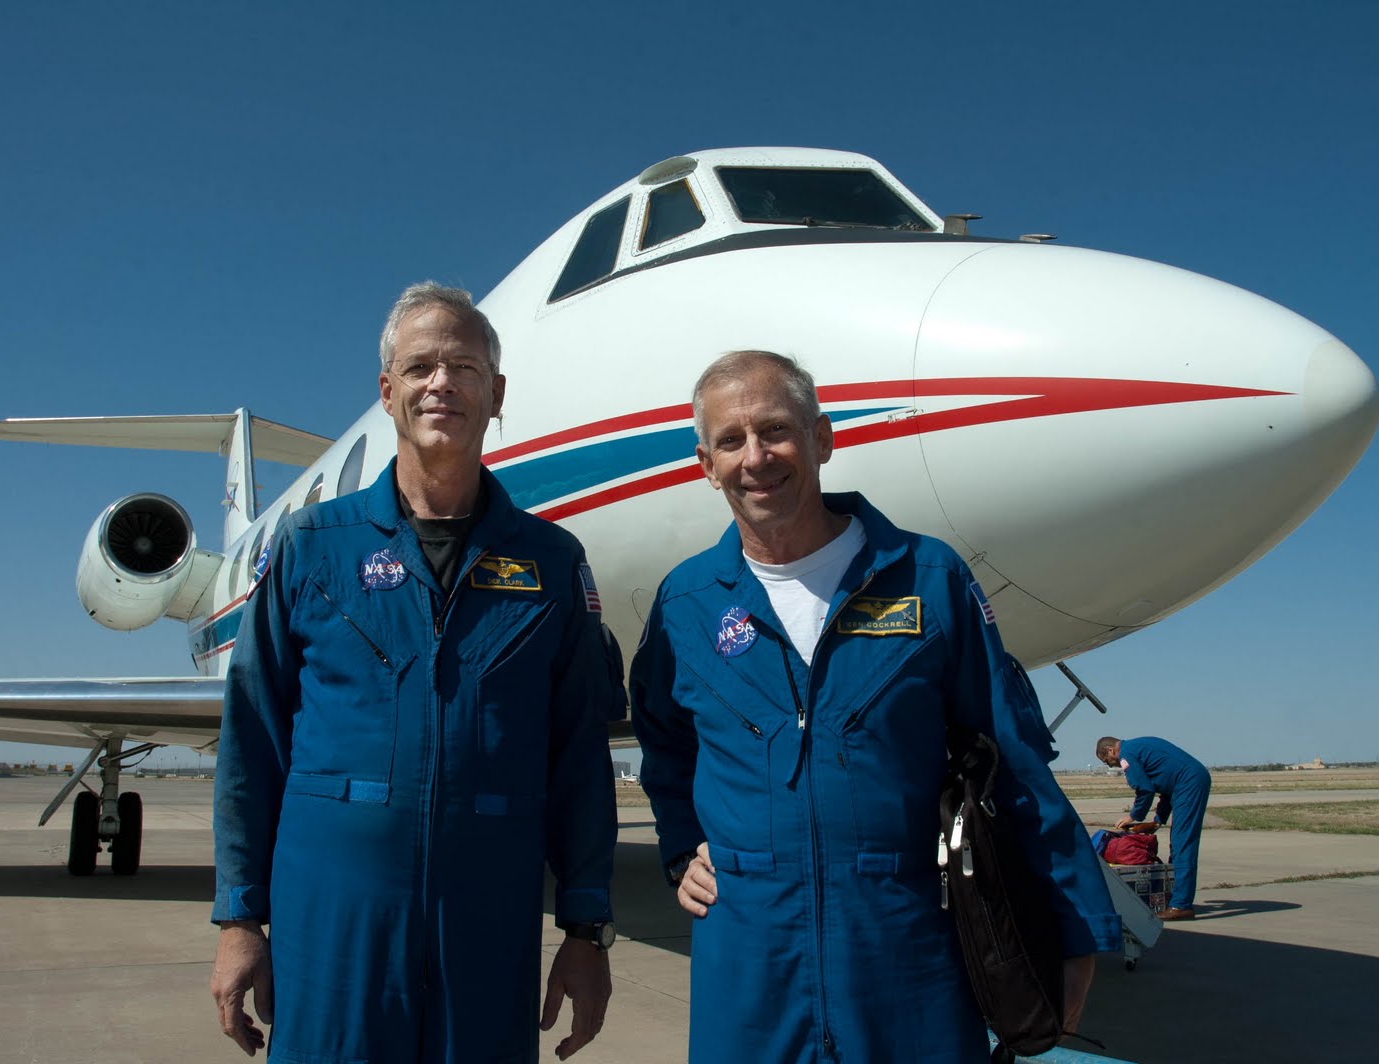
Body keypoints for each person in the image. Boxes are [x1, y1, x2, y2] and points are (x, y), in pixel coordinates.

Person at [630, 350, 1120, 1062]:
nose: (756, 457)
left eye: (776, 430)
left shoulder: (927, 579)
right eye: (731, 441)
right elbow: (664, 742)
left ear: (823, 438)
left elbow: (1010, 758)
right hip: (747, 960)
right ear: (706, 464)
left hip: (905, 950)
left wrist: (1077, 928)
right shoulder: (687, 602)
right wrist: (680, 847)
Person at [210, 282, 619, 1062]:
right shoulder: (310, 547)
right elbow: (252, 745)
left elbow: (578, 761)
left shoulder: (551, 563)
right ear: (387, 390)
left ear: (495, 394)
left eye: (464, 367)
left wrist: (586, 927)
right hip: (333, 929)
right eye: (422, 365)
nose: (443, 383)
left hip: (489, 929)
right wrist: (239, 920)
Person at [1096, 735, 1212, 920]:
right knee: (1178, 844)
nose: (1111, 765)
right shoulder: (1137, 747)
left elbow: (1145, 789)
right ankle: (1176, 899)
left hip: (1188, 783)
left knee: (1183, 843)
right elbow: (1165, 785)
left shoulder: (1126, 754)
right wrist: (1157, 821)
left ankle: (1181, 906)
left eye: (1107, 761)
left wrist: (1134, 816)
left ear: (1111, 750)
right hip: (1186, 781)